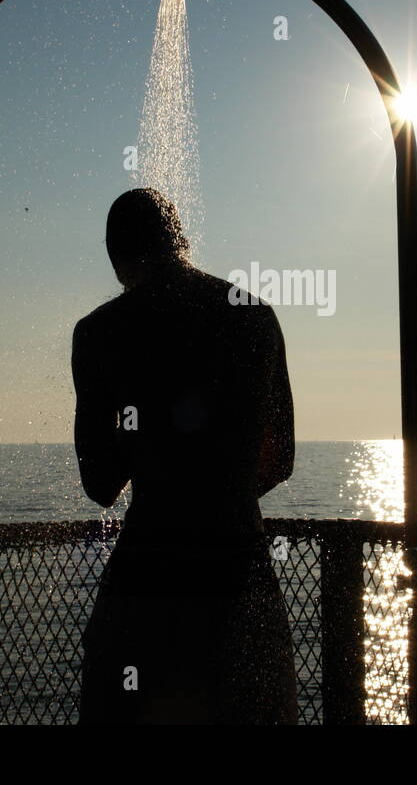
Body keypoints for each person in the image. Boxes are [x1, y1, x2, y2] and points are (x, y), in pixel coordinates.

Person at [73, 187, 299, 724]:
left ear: (116, 257)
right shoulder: (256, 316)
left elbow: (100, 481)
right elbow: (281, 458)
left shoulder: (101, 331)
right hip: (242, 579)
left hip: (146, 584)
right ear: (181, 241)